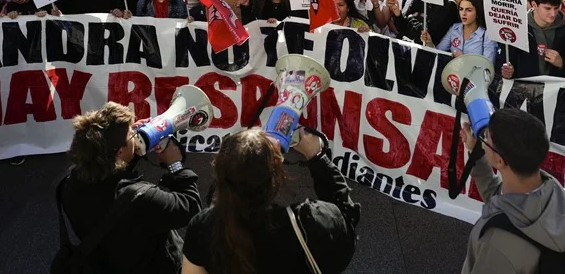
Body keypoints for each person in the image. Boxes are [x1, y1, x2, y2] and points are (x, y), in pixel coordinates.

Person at [181, 128, 360, 274]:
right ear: (275, 178)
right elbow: (346, 219)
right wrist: (317, 156)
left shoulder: (203, 227)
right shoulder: (308, 226)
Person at [60, 102, 201, 273]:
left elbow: (110, 171)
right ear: (119, 152)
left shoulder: (70, 182)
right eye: (131, 133)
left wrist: (130, 145)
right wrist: (175, 164)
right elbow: (190, 206)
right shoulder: (139, 198)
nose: (135, 134)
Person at [459, 108, 565, 274]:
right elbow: (499, 201)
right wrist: (477, 154)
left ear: (500, 160)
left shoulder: (496, 243)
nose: (482, 139)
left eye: (486, 137)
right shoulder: (552, 190)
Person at [498, 0, 565, 80]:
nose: (553, 13)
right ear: (534, 5)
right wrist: (507, 71)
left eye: (556, 8)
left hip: (555, 92)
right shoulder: (516, 29)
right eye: (547, 8)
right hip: (524, 91)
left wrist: (562, 63)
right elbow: (503, 61)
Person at [423, 0, 497, 63]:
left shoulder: (487, 35)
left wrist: (464, 59)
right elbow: (438, 53)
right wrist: (429, 43)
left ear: (477, 13)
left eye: (469, 10)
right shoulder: (454, 28)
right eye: (461, 9)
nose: (463, 13)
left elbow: (488, 68)